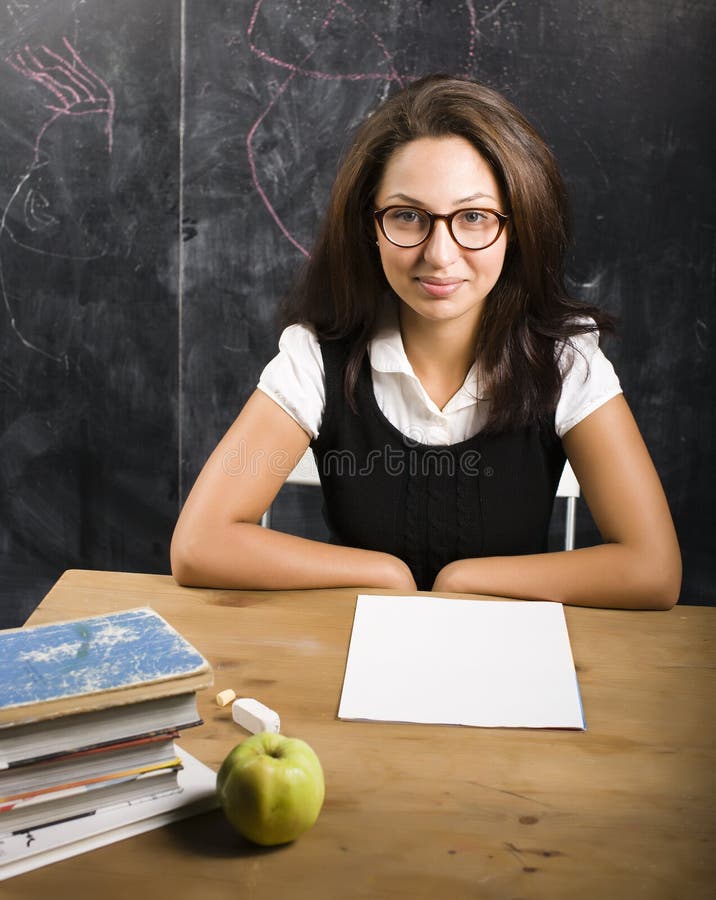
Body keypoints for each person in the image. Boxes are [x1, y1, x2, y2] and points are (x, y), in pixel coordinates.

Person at [171, 74, 681, 609]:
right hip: (349, 652)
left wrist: (461, 582)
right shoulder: (315, 359)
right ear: (370, 225)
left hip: (511, 657)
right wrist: (386, 574)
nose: (439, 254)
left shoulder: (565, 361)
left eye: (475, 217)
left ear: (517, 225)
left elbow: (652, 569)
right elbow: (200, 544)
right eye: (409, 216)